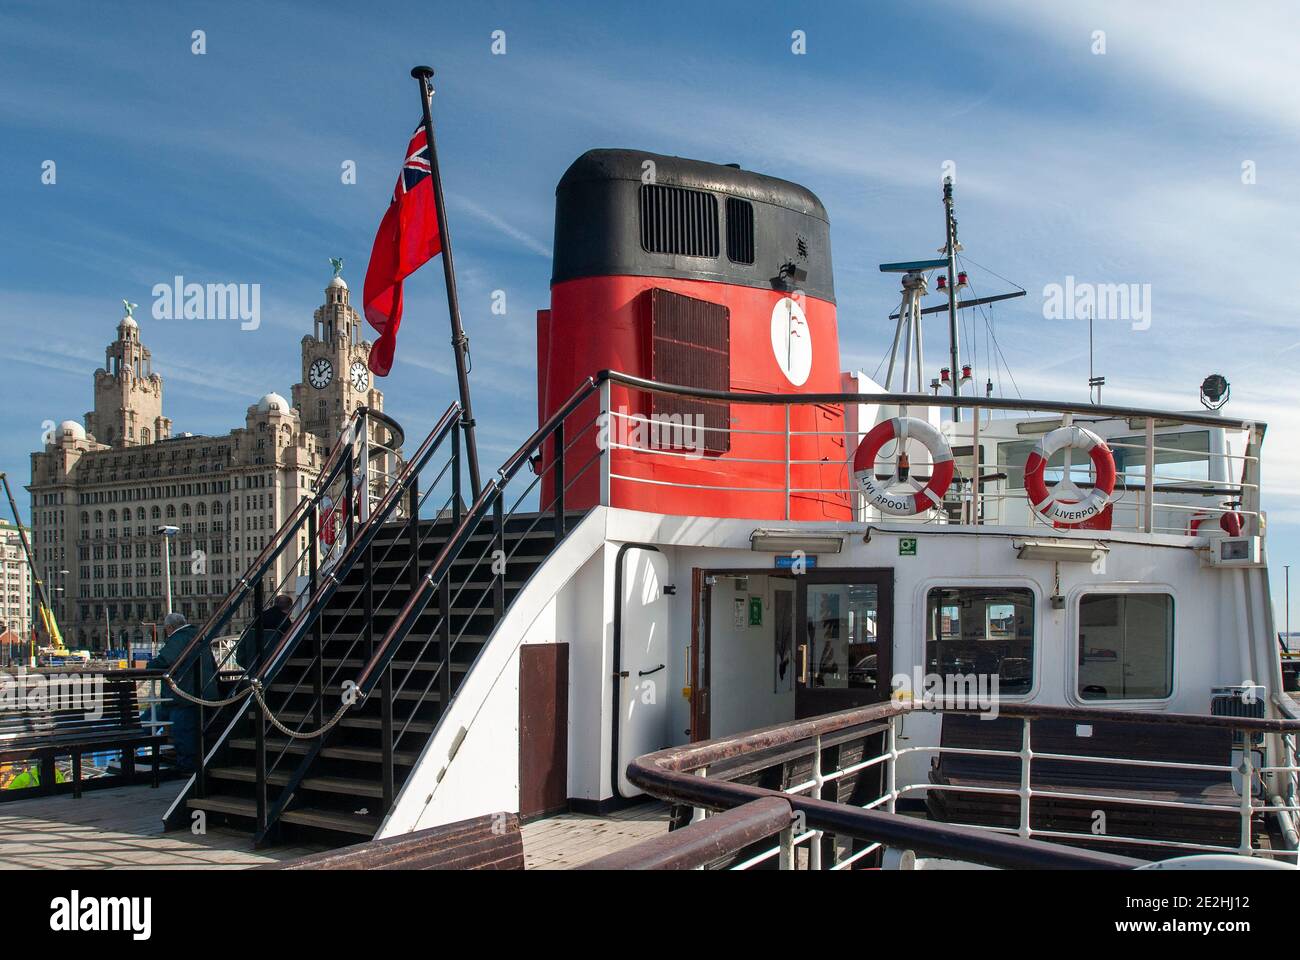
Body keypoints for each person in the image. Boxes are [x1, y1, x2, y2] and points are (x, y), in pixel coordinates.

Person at [147, 612, 214, 774]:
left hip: (183, 694)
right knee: (187, 730)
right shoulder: (197, 636)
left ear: (170, 627)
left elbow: (164, 661)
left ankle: (186, 766)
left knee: (182, 731)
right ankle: (188, 762)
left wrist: (149, 666)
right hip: (201, 692)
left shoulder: (179, 638)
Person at [235, 594, 294, 676]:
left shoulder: (256, 621)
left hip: (254, 671)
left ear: (274, 604)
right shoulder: (285, 624)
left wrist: (251, 667)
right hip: (277, 672)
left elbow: (240, 655)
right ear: (290, 608)